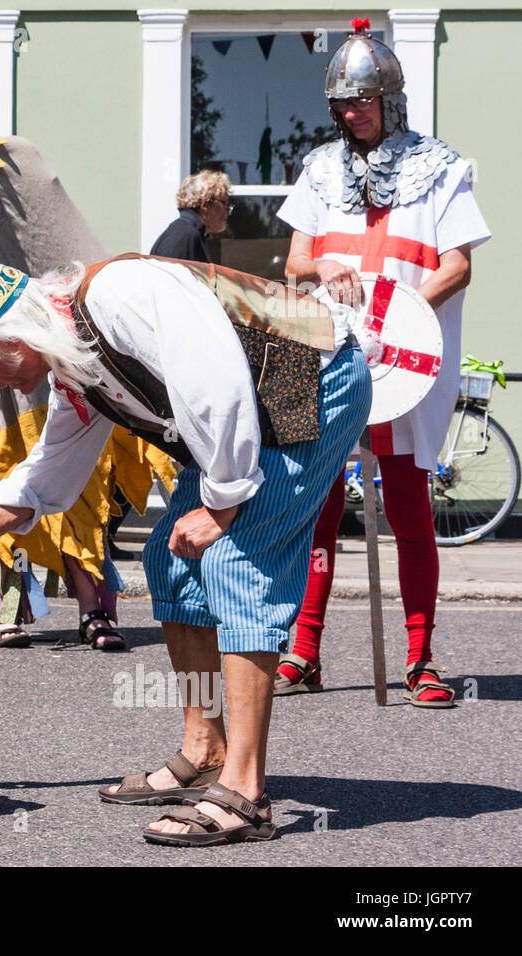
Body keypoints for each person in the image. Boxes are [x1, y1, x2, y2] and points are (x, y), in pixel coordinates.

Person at [0, 255, 370, 845]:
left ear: (14, 336)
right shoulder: (76, 367)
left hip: (310, 383)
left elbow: (214, 381)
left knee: (238, 560)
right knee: (171, 562)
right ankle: (208, 748)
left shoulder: (117, 295)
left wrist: (222, 505)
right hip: (247, 410)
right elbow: (46, 477)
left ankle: (245, 792)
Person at [0, 114, 172, 650]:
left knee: (75, 483)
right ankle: (8, 606)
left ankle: (94, 608)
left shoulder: (12, 167)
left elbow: (56, 246)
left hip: (44, 345)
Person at [274, 19, 490, 706]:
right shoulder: (319, 167)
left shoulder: (441, 168)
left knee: (406, 507)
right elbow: (296, 262)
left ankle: (422, 660)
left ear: (389, 100)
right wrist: (327, 263)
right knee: (319, 506)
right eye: (341, 102)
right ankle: (303, 652)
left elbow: (456, 266)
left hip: (404, 360)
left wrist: (403, 321)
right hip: (331, 357)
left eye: (361, 100)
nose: (349, 112)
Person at [149, 170, 233, 262]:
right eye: (225, 204)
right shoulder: (184, 235)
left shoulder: (187, 233)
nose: (228, 212)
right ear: (205, 205)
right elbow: (170, 275)